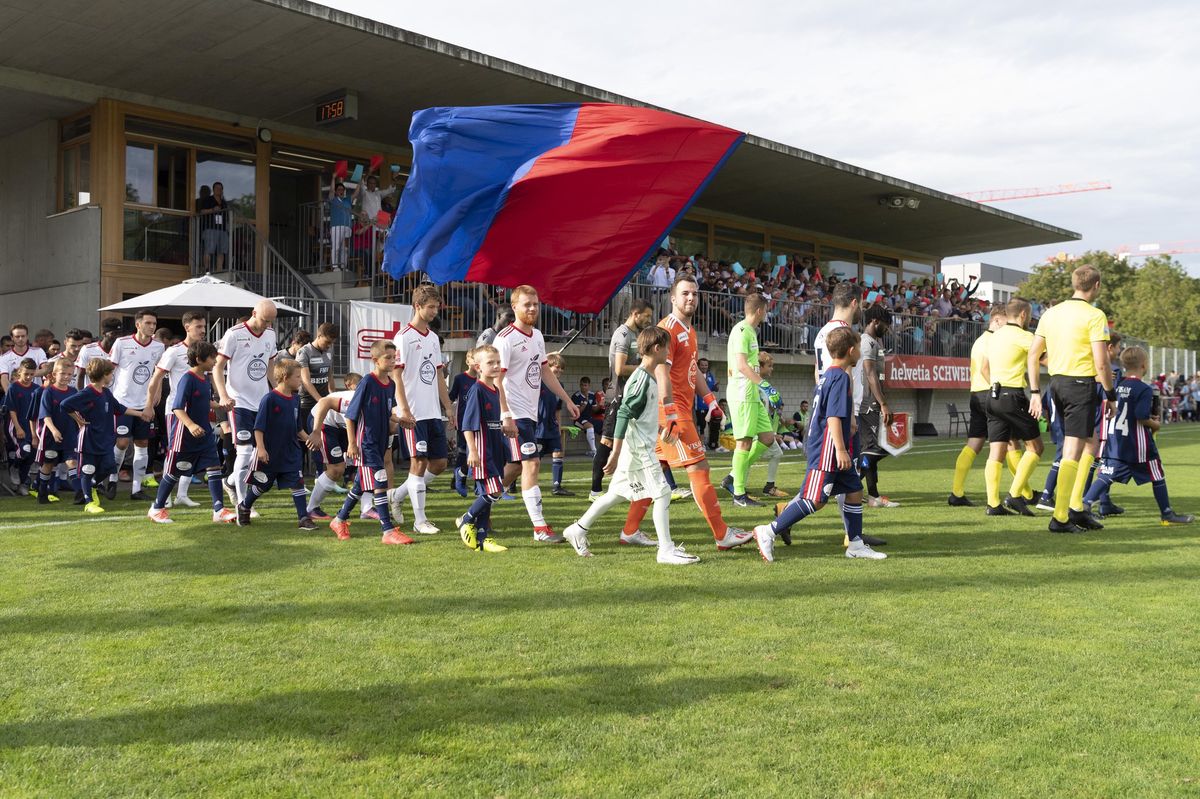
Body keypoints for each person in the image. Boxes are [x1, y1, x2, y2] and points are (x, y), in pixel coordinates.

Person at [621, 274, 752, 552]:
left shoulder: (689, 330)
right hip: (670, 412)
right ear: (672, 298)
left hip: (674, 410)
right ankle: (722, 535)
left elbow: (693, 370)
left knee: (652, 473)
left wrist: (710, 399)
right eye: (685, 294)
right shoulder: (667, 329)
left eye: (694, 293)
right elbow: (660, 372)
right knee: (699, 468)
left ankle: (628, 531)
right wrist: (669, 413)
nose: (691, 298)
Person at [563, 326, 699, 564]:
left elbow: (638, 416)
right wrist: (615, 453)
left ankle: (578, 529)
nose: (669, 351)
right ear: (657, 349)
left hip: (637, 447)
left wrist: (659, 429)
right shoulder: (642, 379)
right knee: (664, 493)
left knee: (615, 494)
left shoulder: (646, 375)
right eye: (666, 347)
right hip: (638, 450)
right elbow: (624, 414)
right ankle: (666, 550)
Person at [752, 327, 886, 562]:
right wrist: (841, 449)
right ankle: (768, 531)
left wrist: (850, 427)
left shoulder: (831, 375)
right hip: (827, 449)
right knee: (814, 499)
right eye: (859, 350)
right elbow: (832, 417)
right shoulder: (839, 377)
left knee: (854, 491)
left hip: (832, 445)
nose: (861, 355)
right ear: (852, 350)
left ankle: (855, 544)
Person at [1027, 265, 1114, 533]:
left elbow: (1033, 355)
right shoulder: (1095, 315)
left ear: (1074, 283)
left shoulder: (1051, 313)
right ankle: (1061, 517)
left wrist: (1034, 393)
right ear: (1096, 285)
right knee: (1073, 451)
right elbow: (1102, 362)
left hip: (1057, 384)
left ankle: (1076, 507)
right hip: (1080, 385)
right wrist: (1110, 394)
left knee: (1089, 443)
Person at [494, 285, 580, 542]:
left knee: (513, 469)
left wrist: (567, 400)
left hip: (530, 414)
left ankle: (478, 510)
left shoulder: (538, 336)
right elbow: (497, 379)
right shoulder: (505, 339)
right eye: (526, 304)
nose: (532, 308)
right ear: (514, 307)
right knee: (532, 462)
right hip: (514, 413)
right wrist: (505, 413)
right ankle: (540, 528)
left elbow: (544, 372)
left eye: (535, 304)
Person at [1082, 347, 1193, 525]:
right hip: (1138, 443)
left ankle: (1083, 506)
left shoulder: (1116, 386)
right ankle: (1167, 514)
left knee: (1106, 475)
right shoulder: (1144, 389)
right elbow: (1142, 417)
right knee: (1157, 474)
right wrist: (1155, 424)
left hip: (1116, 441)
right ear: (1144, 365)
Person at [813, 281, 886, 549]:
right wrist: (851, 416)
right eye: (861, 304)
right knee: (824, 485)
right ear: (855, 303)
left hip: (828, 408)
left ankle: (853, 535)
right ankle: (779, 521)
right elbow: (844, 374)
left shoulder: (822, 332)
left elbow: (817, 373)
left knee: (845, 480)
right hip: (841, 413)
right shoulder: (844, 332)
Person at [146, 342, 238, 524]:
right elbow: (177, 408)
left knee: (214, 468)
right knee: (174, 471)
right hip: (184, 435)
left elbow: (205, 402)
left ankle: (218, 510)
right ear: (199, 359)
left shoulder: (204, 379)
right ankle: (156, 508)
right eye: (212, 358)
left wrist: (220, 404)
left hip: (204, 434)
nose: (215, 361)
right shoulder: (187, 379)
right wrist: (190, 425)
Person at [329, 339, 411, 545]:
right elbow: (350, 416)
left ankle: (339, 520)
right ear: (375, 360)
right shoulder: (367, 382)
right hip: (365, 443)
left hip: (381, 441)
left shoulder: (390, 384)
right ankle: (387, 530)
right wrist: (351, 443)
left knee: (360, 486)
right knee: (380, 482)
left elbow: (386, 412)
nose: (393, 361)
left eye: (395, 358)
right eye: (388, 358)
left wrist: (400, 420)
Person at [389, 285, 456, 535]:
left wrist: (448, 406)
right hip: (413, 413)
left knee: (438, 463)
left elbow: (438, 373)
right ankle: (420, 521)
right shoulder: (403, 337)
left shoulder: (432, 337)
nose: (434, 311)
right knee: (418, 463)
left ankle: (397, 494)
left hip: (432, 412)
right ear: (417, 306)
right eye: (431, 307)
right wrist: (404, 409)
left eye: (437, 307)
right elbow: (397, 375)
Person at [214, 300, 278, 509]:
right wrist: (223, 395)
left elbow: (270, 365)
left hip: (261, 402)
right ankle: (243, 505)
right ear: (253, 313)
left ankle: (231, 482)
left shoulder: (270, 334)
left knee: (255, 454)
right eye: (264, 320)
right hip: (238, 401)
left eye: (270, 322)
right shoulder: (234, 334)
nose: (267, 325)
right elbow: (218, 367)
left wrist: (276, 391)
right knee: (244, 451)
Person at [983, 299, 1043, 516]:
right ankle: (1015, 495)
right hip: (1012, 395)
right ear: (1024, 315)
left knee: (996, 452)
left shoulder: (995, 336)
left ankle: (993, 504)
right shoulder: (1025, 336)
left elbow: (985, 367)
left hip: (992, 395)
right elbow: (1044, 359)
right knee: (1036, 447)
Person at [236, 360, 312, 528]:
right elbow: (258, 427)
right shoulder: (269, 399)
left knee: (297, 482)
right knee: (263, 484)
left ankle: (303, 518)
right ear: (285, 377)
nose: (301, 380)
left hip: (291, 451)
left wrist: (308, 439)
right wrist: (261, 449)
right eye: (298, 377)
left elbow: (298, 427)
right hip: (270, 452)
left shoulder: (295, 399)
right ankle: (244, 506)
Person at [590, 298, 653, 500]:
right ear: (635, 313)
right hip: (617, 395)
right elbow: (619, 369)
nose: (649, 320)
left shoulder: (636, 334)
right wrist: (645, 366)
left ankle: (636, 486)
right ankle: (595, 490)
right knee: (607, 440)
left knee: (631, 441)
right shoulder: (623, 334)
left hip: (630, 395)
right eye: (647, 316)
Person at [147, 311, 208, 508]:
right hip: (176, 410)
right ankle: (165, 496)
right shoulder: (173, 351)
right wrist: (151, 401)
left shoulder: (205, 351)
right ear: (187, 327)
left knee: (192, 452)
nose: (203, 330)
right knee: (174, 451)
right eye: (199, 326)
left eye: (204, 327)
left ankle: (182, 494)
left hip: (198, 410)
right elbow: (156, 378)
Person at [720, 293, 775, 507]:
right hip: (742, 393)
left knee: (768, 437)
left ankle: (733, 477)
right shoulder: (742, 331)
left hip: (751, 393)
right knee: (744, 442)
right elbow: (742, 365)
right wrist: (765, 385)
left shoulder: (751, 331)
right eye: (766, 310)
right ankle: (739, 496)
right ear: (760, 310)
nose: (766, 313)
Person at [454, 344, 509, 553]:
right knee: (495, 490)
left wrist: (503, 428)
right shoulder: (476, 390)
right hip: (482, 450)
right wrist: (473, 451)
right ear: (478, 366)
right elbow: (468, 425)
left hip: (495, 448)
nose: (496, 366)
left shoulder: (494, 389)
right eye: (490, 363)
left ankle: (483, 538)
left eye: (498, 362)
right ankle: (466, 519)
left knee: (489, 492)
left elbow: (490, 422)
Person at [949, 309, 1007, 506]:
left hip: (976, 393)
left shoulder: (979, 340)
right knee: (1008, 441)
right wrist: (996, 388)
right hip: (988, 393)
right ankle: (1022, 493)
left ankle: (956, 493)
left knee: (974, 443)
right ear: (997, 321)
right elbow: (985, 368)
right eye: (1006, 324)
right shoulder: (993, 340)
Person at [107, 309, 164, 500]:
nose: (152, 326)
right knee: (122, 442)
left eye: (154, 323)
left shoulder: (158, 347)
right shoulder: (122, 343)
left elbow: (159, 373)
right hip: (122, 402)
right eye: (148, 323)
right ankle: (112, 479)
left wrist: (156, 394)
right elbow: (110, 371)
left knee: (142, 443)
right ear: (138, 325)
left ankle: (136, 489)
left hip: (144, 403)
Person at [61, 358, 125, 514]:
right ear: (104, 375)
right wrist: (77, 419)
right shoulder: (87, 392)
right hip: (88, 438)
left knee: (109, 467)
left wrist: (141, 414)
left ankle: (93, 484)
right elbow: (65, 405)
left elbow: (119, 409)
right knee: (87, 469)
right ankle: (89, 502)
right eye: (111, 374)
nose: (112, 377)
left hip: (105, 439)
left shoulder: (106, 392)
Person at [858, 304, 899, 508]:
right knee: (881, 447)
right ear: (875, 322)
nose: (887, 328)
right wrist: (882, 403)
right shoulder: (866, 343)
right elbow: (869, 373)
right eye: (885, 324)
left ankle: (873, 496)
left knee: (871, 449)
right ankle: (853, 481)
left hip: (873, 403)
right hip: (867, 405)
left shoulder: (875, 342)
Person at [305, 372, 362, 519]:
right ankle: (311, 509)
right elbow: (324, 402)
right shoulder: (356, 399)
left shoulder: (380, 402)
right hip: (324, 422)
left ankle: (367, 508)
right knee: (336, 469)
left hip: (340, 426)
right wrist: (316, 431)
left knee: (366, 464)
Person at [34, 359, 79, 504]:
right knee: (49, 464)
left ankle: (80, 494)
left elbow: (76, 412)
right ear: (54, 374)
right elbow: (45, 416)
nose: (66, 377)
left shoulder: (73, 392)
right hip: (50, 435)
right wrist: (53, 430)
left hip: (69, 433)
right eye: (63, 373)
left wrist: (81, 422)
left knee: (72, 461)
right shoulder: (48, 392)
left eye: (69, 374)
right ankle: (42, 492)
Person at [754, 352, 788, 498]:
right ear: (760, 366)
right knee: (749, 457)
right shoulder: (755, 385)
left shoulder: (763, 385)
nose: (771, 369)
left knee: (774, 453)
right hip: (755, 430)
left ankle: (769, 486)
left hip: (761, 430)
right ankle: (735, 484)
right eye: (769, 366)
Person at [539, 353, 573, 497]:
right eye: (556, 368)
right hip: (538, 426)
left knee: (558, 452)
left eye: (561, 369)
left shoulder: (561, 386)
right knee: (533, 459)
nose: (559, 371)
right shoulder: (539, 382)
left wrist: (558, 428)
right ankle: (513, 484)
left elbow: (558, 410)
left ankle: (557, 486)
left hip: (552, 426)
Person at [5, 359, 39, 494]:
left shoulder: (36, 389)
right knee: (24, 449)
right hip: (17, 425)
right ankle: (14, 467)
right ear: (20, 372)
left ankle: (23, 483)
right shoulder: (14, 387)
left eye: (31, 374)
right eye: (26, 374)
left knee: (31, 455)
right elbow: (11, 409)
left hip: (32, 427)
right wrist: (18, 428)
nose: (29, 377)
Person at [448, 352, 478, 497]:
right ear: (467, 361)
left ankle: (478, 484)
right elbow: (451, 397)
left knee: (478, 452)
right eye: (474, 359)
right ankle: (458, 480)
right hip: (463, 422)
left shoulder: (482, 379)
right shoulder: (460, 378)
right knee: (462, 452)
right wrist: (451, 416)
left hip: (478, 422)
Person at [298, 323, 338, 432]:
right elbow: (305, 380)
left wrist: (332, 395)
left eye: (332, 343)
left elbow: (330, 375)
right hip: (306, 402)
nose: (329, 346)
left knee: (322, 436)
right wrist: (320, 400)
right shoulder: (304, 352)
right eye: (327, 342)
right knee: (306, 439)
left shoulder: (329, 351)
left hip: (323, 400)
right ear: (319, 336)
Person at [75, 318, 123, 389]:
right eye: (113, 334)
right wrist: (82, 397)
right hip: (94, 396)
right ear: (104, 333)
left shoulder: (123, 350)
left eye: (120, 334)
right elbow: (80, 376)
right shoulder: (87, 349)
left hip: (115, 397)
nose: (117, 337)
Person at [0, 323, 48, 392]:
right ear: (12, 338)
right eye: (17, 336)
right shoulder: (4, 357)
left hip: (35, 393)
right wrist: (9, 395)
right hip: (16, 394)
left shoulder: (38, 351)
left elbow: (45, 369)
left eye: (23, 336)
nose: (20, 339)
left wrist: (28, 374)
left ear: (27, 336)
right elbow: (4, 378)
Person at [199, 181, 230, 271]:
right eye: (217, 188)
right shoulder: (208, 199)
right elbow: (202, 212)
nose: (218, 190)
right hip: (210, 228)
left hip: (222, 230)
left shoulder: (224, 202)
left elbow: (227, 216)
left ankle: (219, 270)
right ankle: (206, 269)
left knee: (221, 251)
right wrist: (212, 209)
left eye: (220, 189)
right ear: (213, 190)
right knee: (209, 249)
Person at [328, 176, 353, 271]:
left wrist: (360, 182)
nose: (341, 191)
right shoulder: (333, 199)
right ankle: (335, 266)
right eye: (339, 189)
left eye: (343, 189)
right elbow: (330, 191)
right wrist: (333, 178)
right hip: (336, 226)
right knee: (336, 246)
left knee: (345, 248)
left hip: (347, 226)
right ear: (336, 191)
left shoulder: (347, 200)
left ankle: (343, 266)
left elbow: (356, 193)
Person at [570, 376, 599, 458]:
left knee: (603, 425)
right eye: (582, 385)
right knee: (590, 426)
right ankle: (594, 451)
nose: (583, 387)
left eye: (585, 385)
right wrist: (585, 402)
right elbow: (577, 412)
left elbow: (594, 410)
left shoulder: (592, 395)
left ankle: (606, 450)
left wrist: (600, 405)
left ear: (589, 386)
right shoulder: (576, 396)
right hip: (578, 420)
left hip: (589, 419)